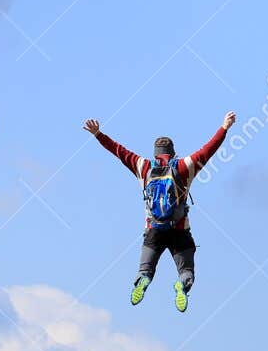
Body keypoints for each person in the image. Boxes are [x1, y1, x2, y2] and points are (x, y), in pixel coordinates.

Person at [83, 112, 236, 312]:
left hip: (153, 231)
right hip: (179, 230)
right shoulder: (183, 168)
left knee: (145, 270)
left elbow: (119, 151)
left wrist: (98, 134)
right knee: (186, 270)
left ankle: (143, 280)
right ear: (172, 153)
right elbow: (208, 150)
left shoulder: (144, 167)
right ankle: (183, 284)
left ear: (156, 153)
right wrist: (224, 127)